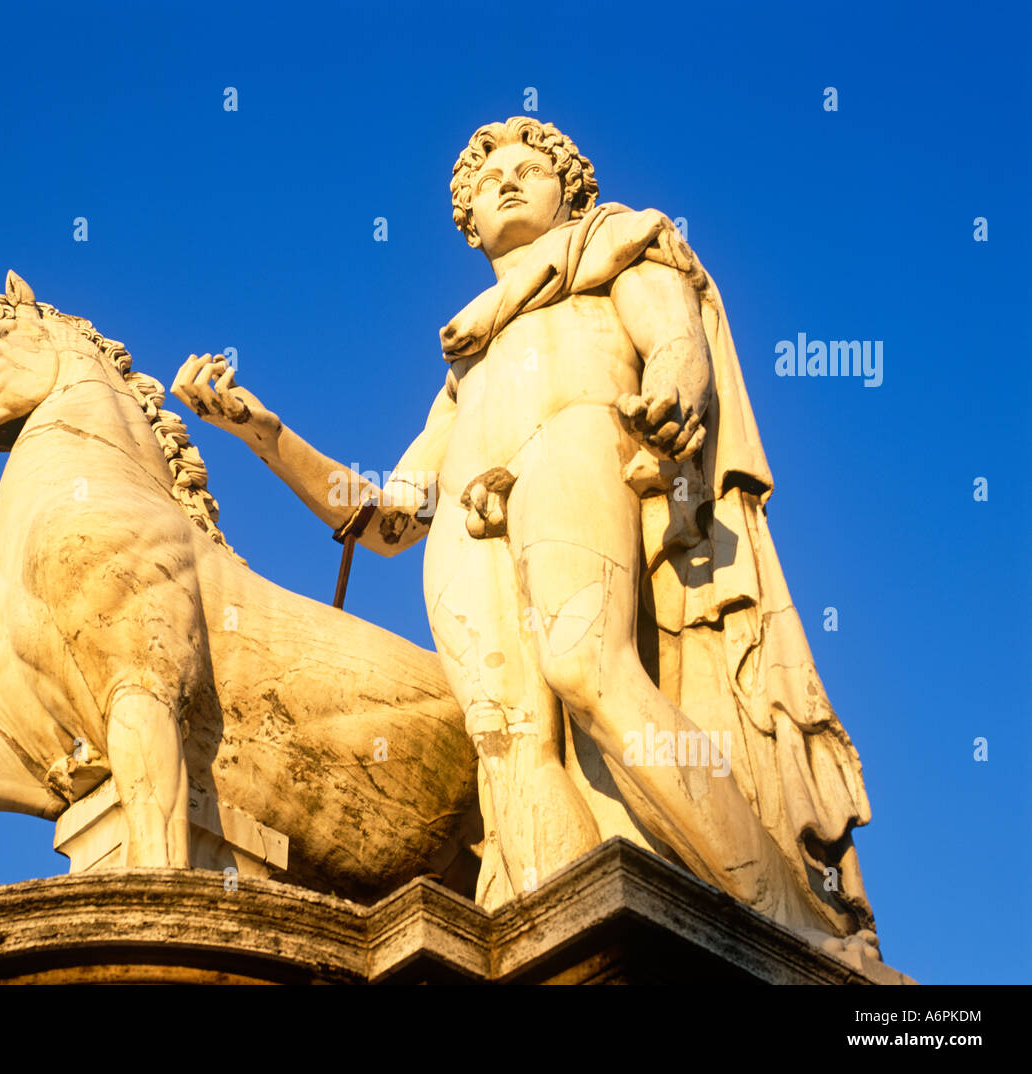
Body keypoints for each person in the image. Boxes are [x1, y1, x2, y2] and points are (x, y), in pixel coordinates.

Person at [171, 117, 880, 962]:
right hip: (466, 523)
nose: (504, 182)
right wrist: (260, 428)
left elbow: (678, 343)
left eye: (526, 170)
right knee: (508, 744)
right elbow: (383, 517)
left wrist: (674, 390)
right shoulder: (466, 368)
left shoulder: (616, 247)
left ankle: (786, 925)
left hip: (576, 445)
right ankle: (563, 954)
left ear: (566, 191)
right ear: (467, 225)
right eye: (484, 181)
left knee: (589, 670)